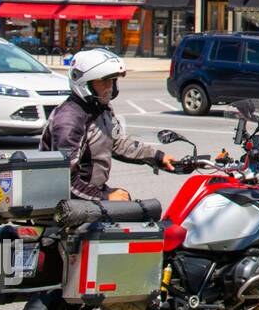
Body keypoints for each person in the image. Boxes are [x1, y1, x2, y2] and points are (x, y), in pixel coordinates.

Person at [41, 48, 174, 201]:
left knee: (138, 208)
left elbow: (118, 143)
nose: (109, 87)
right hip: (67, 201)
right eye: (104, 81)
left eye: (112, 81)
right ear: (85, 83)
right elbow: (64, 178)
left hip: (90, 192)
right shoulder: (69, 120)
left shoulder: (100, 108)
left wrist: (158, 157)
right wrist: (104, 196)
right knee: (142, 213)